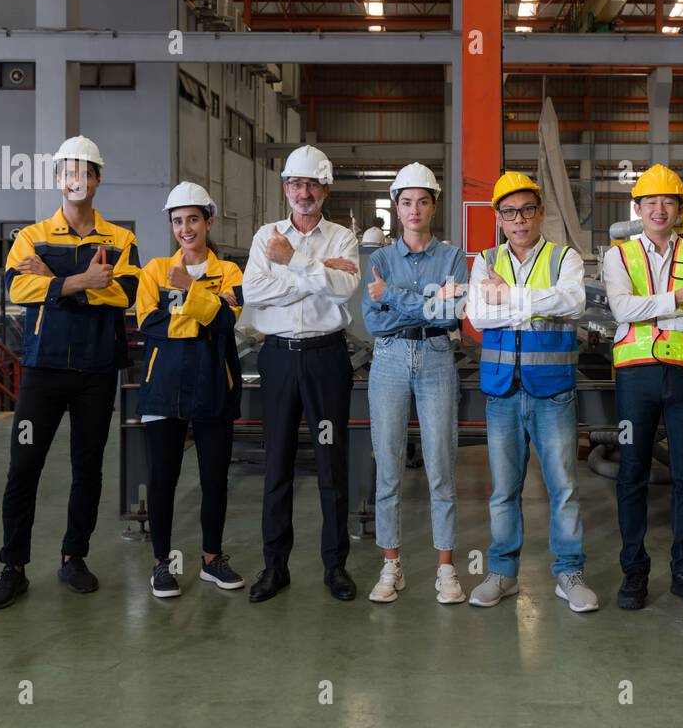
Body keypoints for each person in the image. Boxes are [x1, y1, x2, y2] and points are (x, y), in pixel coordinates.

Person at [0, 135, 140, 610]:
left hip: (95, 372)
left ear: (97, 179)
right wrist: (81, 280)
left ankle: (74, 556)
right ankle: (13, 566)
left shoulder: (120, 239)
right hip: (43, 372)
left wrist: (51, 280)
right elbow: (16, 288)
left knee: (87, 467)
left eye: (85, 172)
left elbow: (126, 292)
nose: (76, 180)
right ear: (57, 179)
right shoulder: (29, 236)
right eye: (68, 172)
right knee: (23, 467)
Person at [465, 171, 597, 612]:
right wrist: (533, 301)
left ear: (540, 213)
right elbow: (480, 318)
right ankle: (503, 573)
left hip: (552, 391)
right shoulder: (484, 260)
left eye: (526, 210)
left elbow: (573, 302)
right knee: (504, 490)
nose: (518, 219)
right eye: (509, 212)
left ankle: (569, 574)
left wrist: (510, 298)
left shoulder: (565, 258)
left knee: (563, 488)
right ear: (498, 218)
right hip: (502, 393)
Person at [241, 145, 362, 603]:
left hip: (326, 359)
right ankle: (275, 567)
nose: (303, 192)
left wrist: (290, 262)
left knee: (331, 463)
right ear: (285, 187)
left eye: (312, 184)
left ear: (325, 189)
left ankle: (336, 567)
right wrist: (314, 275)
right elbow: (254, 291)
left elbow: (344, 289)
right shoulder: (265, 235)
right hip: (277, 358)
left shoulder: (342, 239)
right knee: (277, 464)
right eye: (296, 183)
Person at [603, 164, 683, 611]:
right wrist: (680, 299)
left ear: (678, 209)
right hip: (636, 376)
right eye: (650, 202)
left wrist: (650, 312)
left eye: (668, 202)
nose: (659, 209)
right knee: (632, 474)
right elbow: (620, 309)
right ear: (636, 209)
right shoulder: (618, 256)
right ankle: (634, 573)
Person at [362, 163, 468, 604]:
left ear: (434, 206)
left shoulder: (454, 257)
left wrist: (393, 297)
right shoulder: (380, 258)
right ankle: (392, 566)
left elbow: (452, 316)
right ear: (396, 207)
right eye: (406, 202)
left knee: (440, 464)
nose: (414, 210)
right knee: (387, 465)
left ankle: (446, 569)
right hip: (388, 358)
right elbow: (372, 322)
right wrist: (428, 299)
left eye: (423, 201)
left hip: (437, 356)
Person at [135, 182, 245, 599]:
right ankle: (162, 563)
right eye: (178, 220)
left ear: (208, 222)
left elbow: (227, 321)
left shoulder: (229, 272)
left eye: (193, 219)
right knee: (162, 479)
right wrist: (201, 313)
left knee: (215, 479)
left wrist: (188, 293)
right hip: (163, 389)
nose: (186, 228)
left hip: (215, 387)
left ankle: (212, 559)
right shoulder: (153, 271)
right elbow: (148, 323)